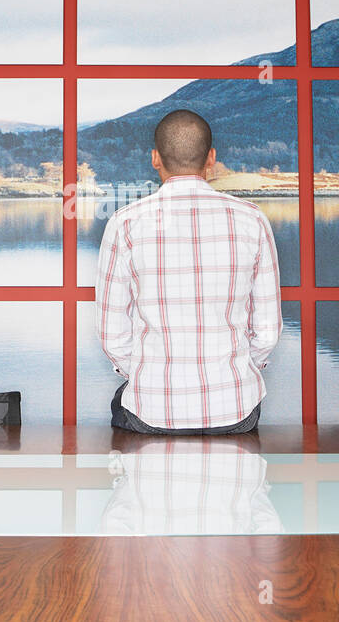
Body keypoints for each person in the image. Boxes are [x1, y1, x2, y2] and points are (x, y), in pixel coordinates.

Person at [95, 109, 282, 434]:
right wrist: (236, 370)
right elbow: (266, 330)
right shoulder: (252, 220)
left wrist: (141, 374)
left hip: (151, 414)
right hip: (235, 413)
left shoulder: (124, 224)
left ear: (155, 158)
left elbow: (113, 334)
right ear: (211, 158)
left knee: (123, 405)